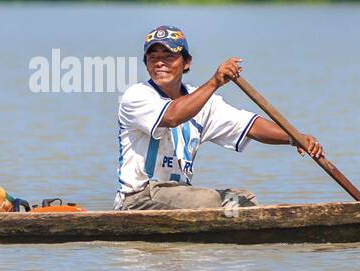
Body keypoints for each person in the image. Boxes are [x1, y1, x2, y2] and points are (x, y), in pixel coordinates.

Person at [115, 25, 324, 211]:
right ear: (146, 64)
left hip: (178, 196)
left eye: (169, 56)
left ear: (186, 63)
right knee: (206, 200)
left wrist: (294, 137)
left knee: (242, 199)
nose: (160, 63)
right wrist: (215, 81)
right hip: (139, 198)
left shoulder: (204, 101)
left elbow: (250, 126)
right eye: (153, 57)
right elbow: (172, 117)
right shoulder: (136, 95)